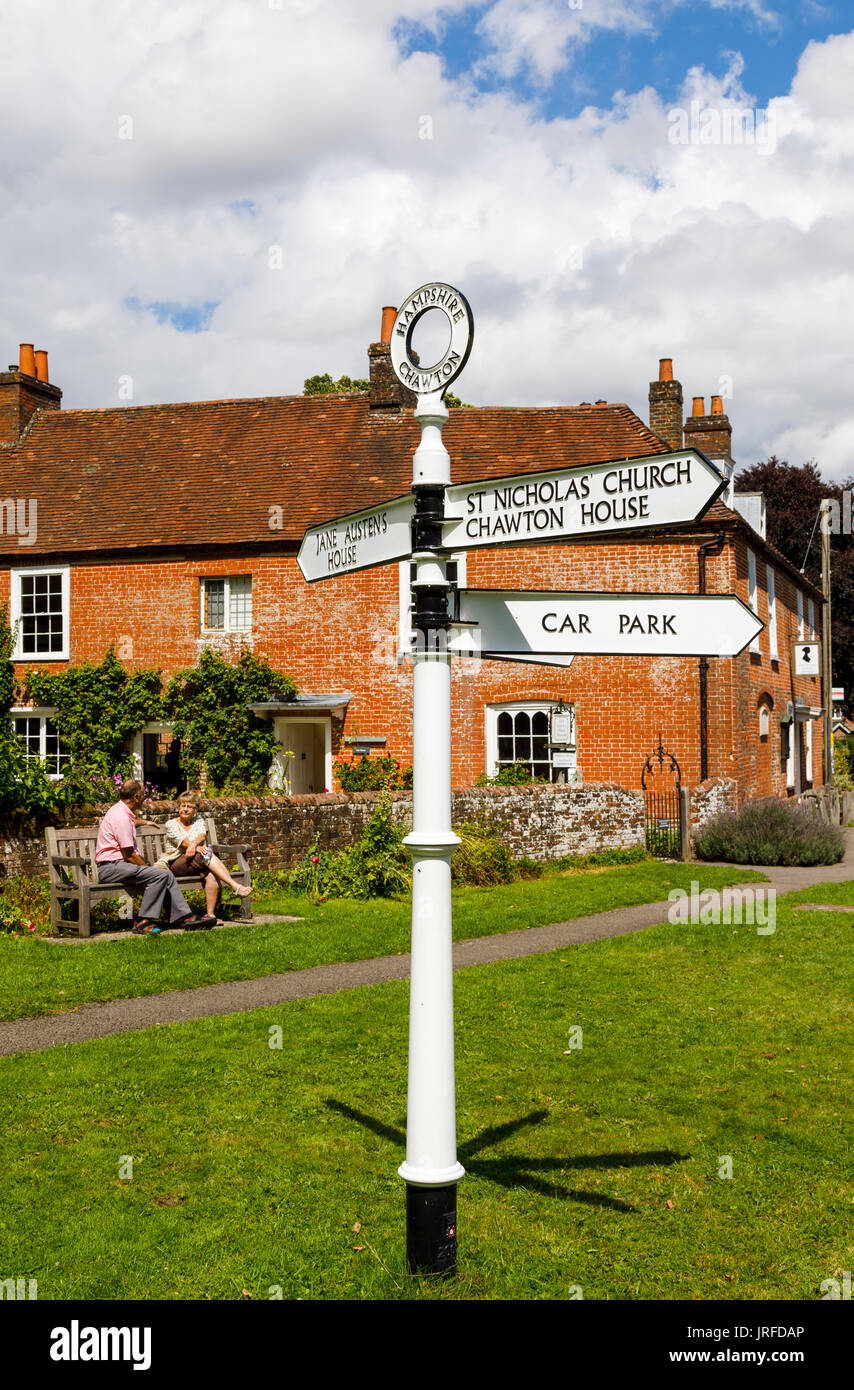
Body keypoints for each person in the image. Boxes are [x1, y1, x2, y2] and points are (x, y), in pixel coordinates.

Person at [95, 780, 216, 933]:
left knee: (165, 874)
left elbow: (130, 823)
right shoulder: (121, 816)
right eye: (143, 795)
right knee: (159, 875)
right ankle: (141, 921)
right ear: (136, 798)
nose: (145, 798)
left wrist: (144, 822)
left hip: (119, 866)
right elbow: (129, 854)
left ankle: (185, 916)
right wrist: (147, 869)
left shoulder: (121, 811)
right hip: (111, 867)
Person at [156, 795, 251, 924]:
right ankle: (234, 886)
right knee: (205, 854)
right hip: (175, 863)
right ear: (178, 808)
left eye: (189, 807)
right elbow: (183, 842)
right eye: (183, 806)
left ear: (195, 810)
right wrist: (196, 847)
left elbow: (202, 835)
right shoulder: (171, 824)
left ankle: (210, 916)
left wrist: (194, 845)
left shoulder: (198, 820)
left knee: (211, 874)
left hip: (196, 861)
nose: (185, 809)